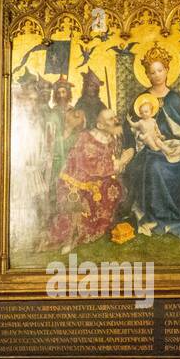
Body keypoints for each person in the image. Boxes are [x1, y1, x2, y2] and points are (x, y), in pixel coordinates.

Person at [124, 45, 180, 238]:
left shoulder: (174, 97)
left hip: (173, 144)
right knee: (156, 166)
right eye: (152, 72)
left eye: (160, 70)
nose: (157, 75)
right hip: (150, 149)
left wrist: (178, 140)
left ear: (167, 70)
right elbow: (133, 127)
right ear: (147, 75)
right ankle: (157, 214)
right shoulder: (142, 98)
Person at [47, 108, 134, 252]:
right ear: (100, 126)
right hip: (76, 182)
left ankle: (102, 225)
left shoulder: (110, 137)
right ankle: (76, 235)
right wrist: (118, 163)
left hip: (94, 179)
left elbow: (107, 159)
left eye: (115, 117)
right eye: (111, 119)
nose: (116, 121)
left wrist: (121, 159)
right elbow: (91, 165)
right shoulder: (86, 138)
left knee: (115, 186)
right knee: (83, 203)